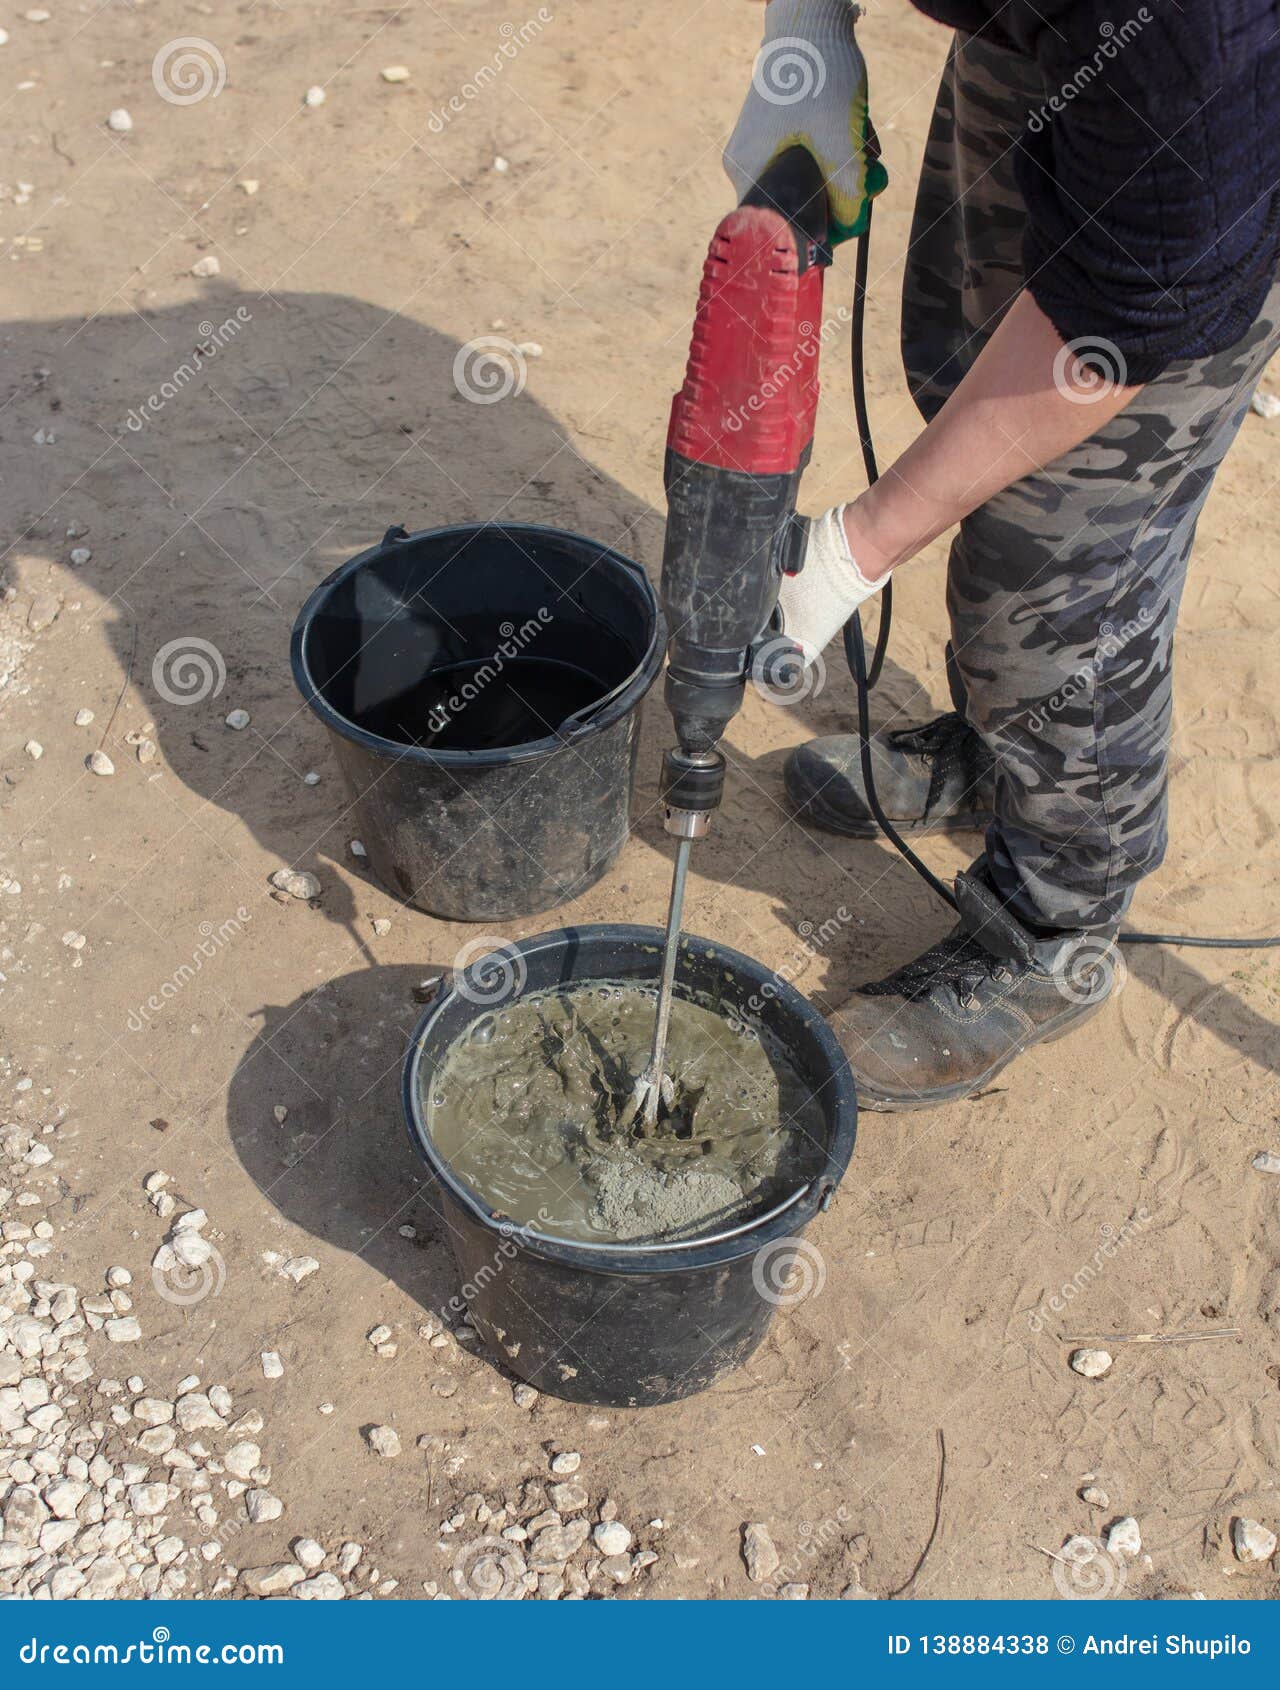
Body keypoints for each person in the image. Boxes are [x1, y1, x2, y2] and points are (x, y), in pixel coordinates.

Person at [724, 0, 1280, 1110]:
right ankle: (997, 753)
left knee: (1053, 573)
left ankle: (1050, 925)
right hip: (1059, 42)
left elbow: (1109, 324)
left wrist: (848, 551)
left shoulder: (1196, 43)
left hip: (1194, 139)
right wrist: (809, 33)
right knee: (960, 357)